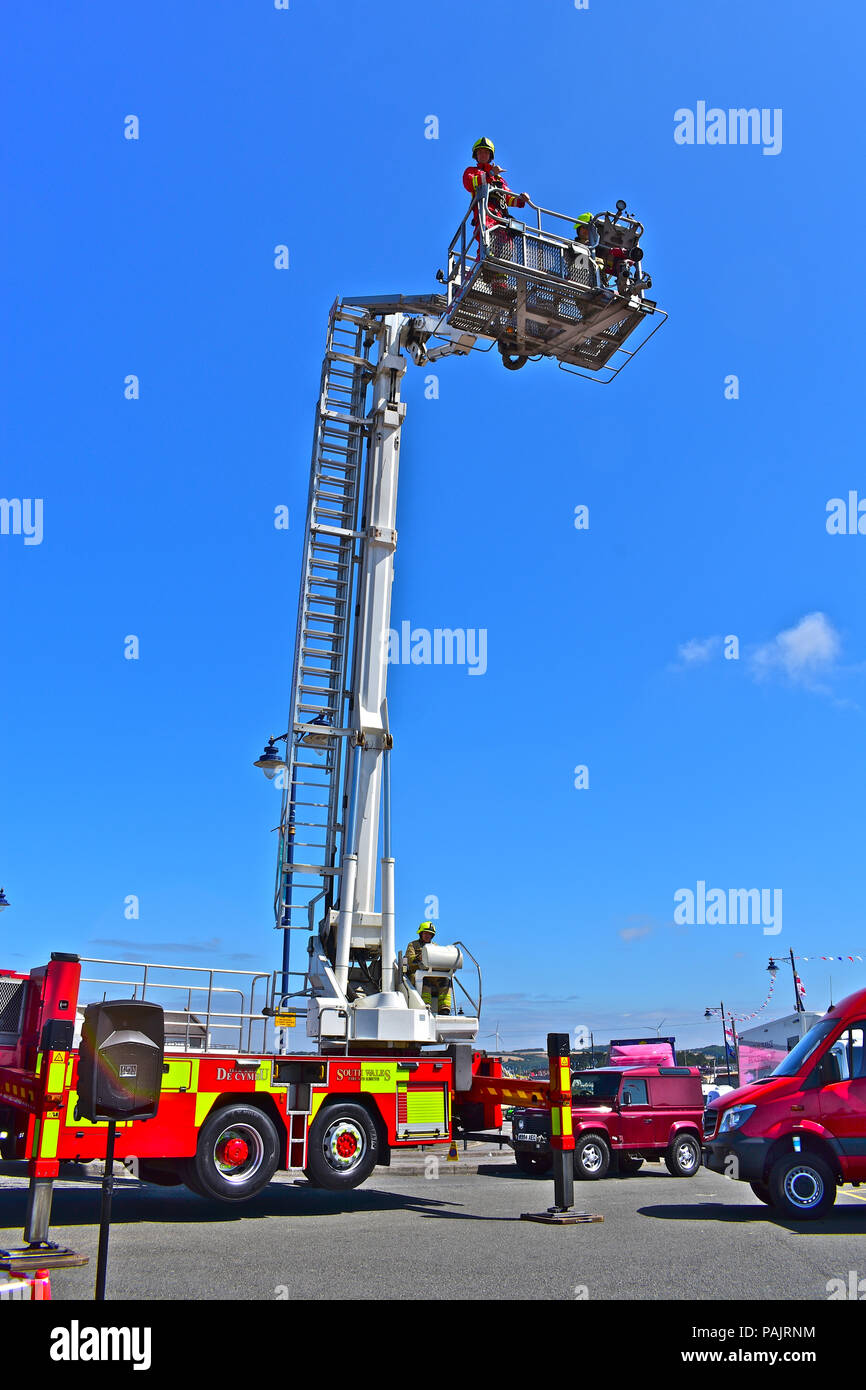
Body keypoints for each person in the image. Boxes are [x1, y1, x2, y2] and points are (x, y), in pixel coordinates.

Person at [405, 922, 452, 1016]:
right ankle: (426, 1006)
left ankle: (444, 1008)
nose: (427, 935)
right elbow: (410, 960)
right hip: (417, 974)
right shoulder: (413, 945)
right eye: (425, 933)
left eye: (430, 934)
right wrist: (419, 958)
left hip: (433, 973)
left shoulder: (436, 947)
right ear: (421, 933)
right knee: (424, 981)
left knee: (446, 981)